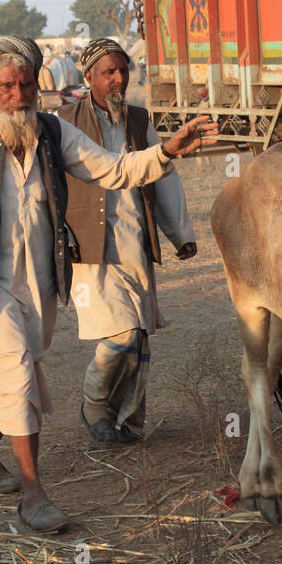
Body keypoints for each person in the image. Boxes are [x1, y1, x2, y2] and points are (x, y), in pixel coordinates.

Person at [0, 35, 217, 532]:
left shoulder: (52, 132)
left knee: (17, 374)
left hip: (41, 283)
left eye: (27, 84)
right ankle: (33, 495)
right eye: (7, 86)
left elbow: (113, 170)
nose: (19, 95)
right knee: (18, 374)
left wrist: (167, 150)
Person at [58, 38, 198, 443]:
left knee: (138, 333)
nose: (119, 79)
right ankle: (93, 402)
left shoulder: (138, 119)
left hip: (135, 238)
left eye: (123, 71)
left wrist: (180, 234)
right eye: (109, 72)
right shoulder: (64, 120)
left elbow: (164, 173)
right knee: (118, 332)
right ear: (89, 78)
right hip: (89, 243)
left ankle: (127, 422)